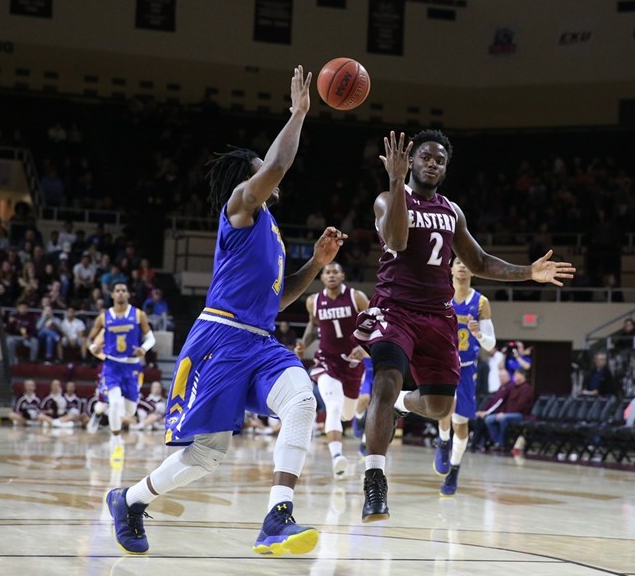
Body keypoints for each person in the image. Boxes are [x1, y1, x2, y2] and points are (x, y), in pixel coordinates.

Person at [106, 66, 345, 558]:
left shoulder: (273, 231)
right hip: (219, 341)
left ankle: (277, 516)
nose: (268, 175)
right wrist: (299, 114)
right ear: (248, 180)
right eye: (259, 170)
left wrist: (315, 264)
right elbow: (276, 167)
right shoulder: (239, 208)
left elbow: (276, 300)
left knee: (301, 401)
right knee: (206, 457)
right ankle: (127, 501)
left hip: (259, 340)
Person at [353, 130, 575, 522]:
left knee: (440, 407)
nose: (432, 163)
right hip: (394, 308)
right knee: (386, 380)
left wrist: (529, 273)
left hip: (437, 315)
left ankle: (402, 405)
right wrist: (395, 179)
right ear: (411, 160)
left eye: (440, 159)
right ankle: (375, 480)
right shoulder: (388, 198)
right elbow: (397, 239)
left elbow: (480, 262)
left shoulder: (452, 211)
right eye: (425, 157)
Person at [295, 262, 370, 477]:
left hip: (353, 363)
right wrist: (304, 344)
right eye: (327, 272)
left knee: (347, 414)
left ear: (343, 275)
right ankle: (337, 456)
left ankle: (359, 415)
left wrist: (363, 348)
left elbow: (375, 324)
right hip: (326, 361)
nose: (331, 275)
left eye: (335, 271)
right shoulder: (314, 301)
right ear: (322, 277)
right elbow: (312, 325)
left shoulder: (357, 297)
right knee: (334, 406)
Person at [433, 257, 498, 496]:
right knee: (445, 405)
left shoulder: (481, 302)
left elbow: (491, 345)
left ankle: (454, 470)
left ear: (473, 270)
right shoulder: (440, 295)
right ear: (450, 268)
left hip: (468, 367)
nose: (462, 265)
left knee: (461, 426)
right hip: (443, 363)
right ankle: (441, 441)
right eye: (457, 261)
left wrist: (478, 333)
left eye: (466, 262)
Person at [86, 282, 153, 464]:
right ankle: (116, 441)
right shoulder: (104, 317)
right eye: (117, 291)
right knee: (115, 403)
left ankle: (104, 411)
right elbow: (90, 340)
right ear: (113, 295)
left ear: (128, 294)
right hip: (112, 366)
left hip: (132, 367)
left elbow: (150, 337)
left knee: (129, 412)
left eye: (124, 290)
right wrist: (93, 347)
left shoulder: (139, 314)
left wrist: (144, 348)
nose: (121, 293)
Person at [479, 367, 534, 451]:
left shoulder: (526, 389)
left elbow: (521, 406)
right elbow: (504, 402)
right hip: (508, 413)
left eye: (516, 374)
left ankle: (502, 443)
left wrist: (505, 413)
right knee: (489, 419)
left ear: (523, 376)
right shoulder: (512, 388)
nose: (514, 377)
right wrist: (502, 412)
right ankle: (497, 442)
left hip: (520, 414)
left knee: (503, 418)